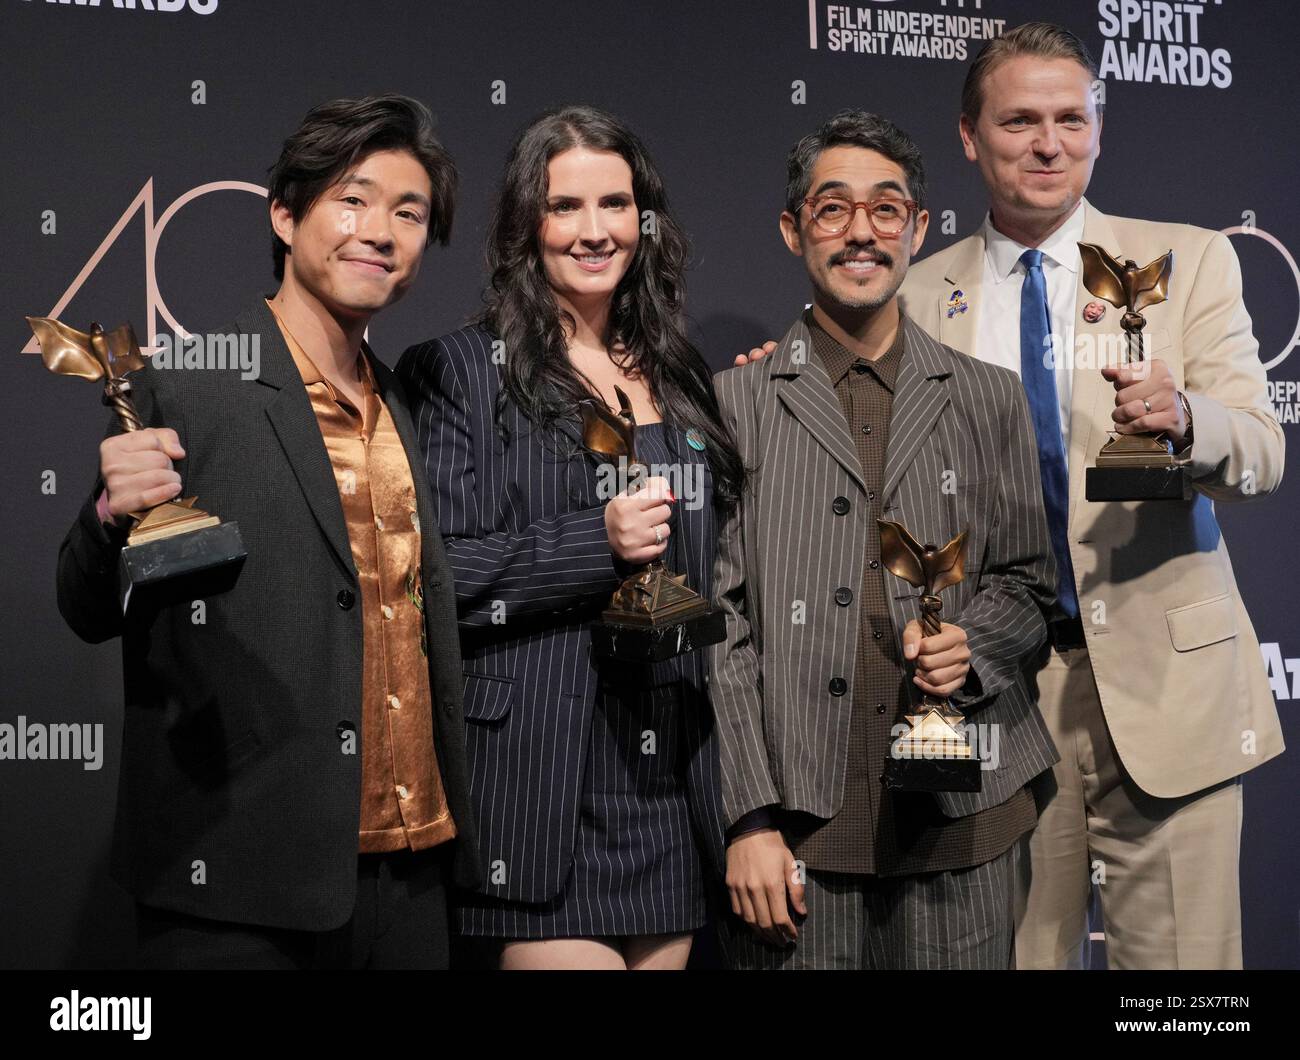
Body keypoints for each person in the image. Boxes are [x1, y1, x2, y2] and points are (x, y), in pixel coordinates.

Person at [56, 94, 480, 969]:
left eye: (410, 213)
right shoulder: (188, 384)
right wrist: (107, 518)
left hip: (412, 869)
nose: (382, 232)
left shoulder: (410, 403)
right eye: (353, 200)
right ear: (286, 215)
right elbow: (88, 605)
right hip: (237, 874)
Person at [898, 22, 1285, 969]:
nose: (1048, 143)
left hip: (1169, 682)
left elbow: (1263, 448)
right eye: (1020, 120)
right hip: (1000, 690)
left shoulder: (1187, 261)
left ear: (1100, 130)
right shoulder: (912, 295)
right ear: (968, 135)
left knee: (1185, 994)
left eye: (1071, 118)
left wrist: (1186, 418)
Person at [396, 105, 743, 970]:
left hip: (666, 776)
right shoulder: (463, 370)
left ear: (645, 217)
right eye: (565, 208)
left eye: (616, 205)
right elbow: (437, 580)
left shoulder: (682, 373)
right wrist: (598, 543)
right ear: (526, 224)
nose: (595, 233)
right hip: (540, 782)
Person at [712, 109, 1057, 970]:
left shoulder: (988, 397)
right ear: (794, 231)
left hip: (964, 813)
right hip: (801, 828)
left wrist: (970, 647)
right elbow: (719, 627)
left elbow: (1025, 585)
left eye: (886, 209)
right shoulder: (732, 403)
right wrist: (749, 816)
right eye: (832, 209)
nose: (860, 232)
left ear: (919, 229)